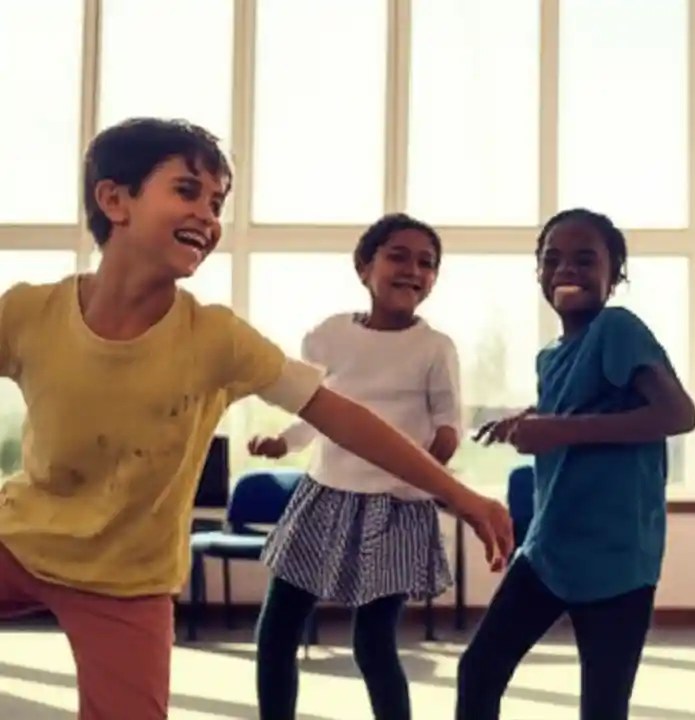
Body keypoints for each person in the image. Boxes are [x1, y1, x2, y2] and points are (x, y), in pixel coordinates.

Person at [0, 118, 512, 720]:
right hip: (20, 539)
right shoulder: (30, 312)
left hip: (127, 580)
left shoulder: (216, 338)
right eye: (188, 191)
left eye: (217, 202)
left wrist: (464, 497)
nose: (210, 217)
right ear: (115, 200)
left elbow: (343, 418)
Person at [454, 208, 695, 720]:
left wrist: (557, 429)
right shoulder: (550, 356)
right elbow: (581, 411)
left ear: (616, 275)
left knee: (602, 708)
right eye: (553, 259)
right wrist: (534, 419)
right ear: (538, 272)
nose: (567, 269)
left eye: (585, 259)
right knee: (478, 670)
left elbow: (678, 414)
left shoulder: (618, 327)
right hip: (548, 549)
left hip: (617, 557)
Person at [247, 213, 461, 720]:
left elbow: (448, 425)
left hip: (395, 507)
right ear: (365, 267)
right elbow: (322, 408)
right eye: (398, 256)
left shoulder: (435, 347)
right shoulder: (328, 335)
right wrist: (284, 441)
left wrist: (433, 461)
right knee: (277, 630)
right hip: (325, 495)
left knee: (373, 644)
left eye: (426, 263)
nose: (413, 269)